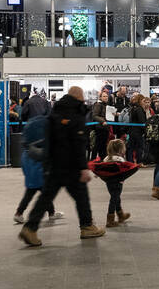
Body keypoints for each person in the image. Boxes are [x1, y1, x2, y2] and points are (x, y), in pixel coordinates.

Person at [18, 85, 106, 245]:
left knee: (45, 197)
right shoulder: (76, 112)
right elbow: (78, 141)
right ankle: (87, 227)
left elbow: (49, 139)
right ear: (79, 97)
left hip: (54, 163)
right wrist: (83, 167)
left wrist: (47, 163)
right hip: (71, 164)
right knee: (82, 197)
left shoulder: (55, 111)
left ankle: (29, 228)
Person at [14, 110, 60, 225]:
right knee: (42, 192)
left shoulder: (29, 140)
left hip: (29, 165)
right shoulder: (45, 133)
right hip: (38, 168)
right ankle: (20, 213)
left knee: (36, 191)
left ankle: (50, 212)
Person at [92, 138, 139, 228]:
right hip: (118, 182)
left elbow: (103, 169)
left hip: (109, 182)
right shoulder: (120, 159)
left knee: (115, 197)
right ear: (120, 150)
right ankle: (110, 219)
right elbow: (124, 170)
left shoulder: (106, 158)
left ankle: (121, 215)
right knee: (114, 199)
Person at [90, 90, 111, 160]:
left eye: (107, 96)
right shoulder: (98, 104)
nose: (106, 97)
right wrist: (103, 121)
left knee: (103, 145)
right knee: (98, 145)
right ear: (100, 97)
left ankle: (102, 159)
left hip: (105, 128)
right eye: (104, 96)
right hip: (100, 128)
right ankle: (93, 159)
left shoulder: (106, 105)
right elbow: (95, 116)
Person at [127, 93, 148, 164]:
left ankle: (130, 161)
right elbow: (141, 121)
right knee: (139, 147)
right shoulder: (139, 109)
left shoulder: (134, 108)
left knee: (131, 147)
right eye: (143, 101)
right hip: (138, 131)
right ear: (140, 100)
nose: (144, 102)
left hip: (132, 130)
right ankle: (139, 162)